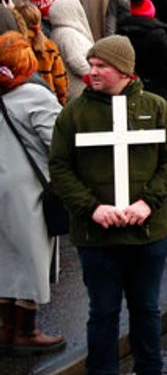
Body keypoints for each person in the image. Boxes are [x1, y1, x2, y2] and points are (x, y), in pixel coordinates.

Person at [48, 33, 167, 375]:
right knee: (103, 313)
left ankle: (150, 370)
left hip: (147, 232)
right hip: (97, 236)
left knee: (146, 310)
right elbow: (59, 167)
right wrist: (92, 208)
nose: (92, 71)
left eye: (102, 66)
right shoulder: (74, 113)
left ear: (125, 71)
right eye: (91, 64)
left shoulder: (155, 108)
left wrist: (146, 203)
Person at [0, 33, 63, 354]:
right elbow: (58, 144)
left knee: (5, 260)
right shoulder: (36, 96)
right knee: (30, 259)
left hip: (3, 189)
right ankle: (26, 331)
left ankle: (6, 331)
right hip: (29, 192)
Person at [47, 0, 95, 96]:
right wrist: (98, 76)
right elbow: (77, 62)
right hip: (80, 91)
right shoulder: (69, 35)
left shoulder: (59, 32)